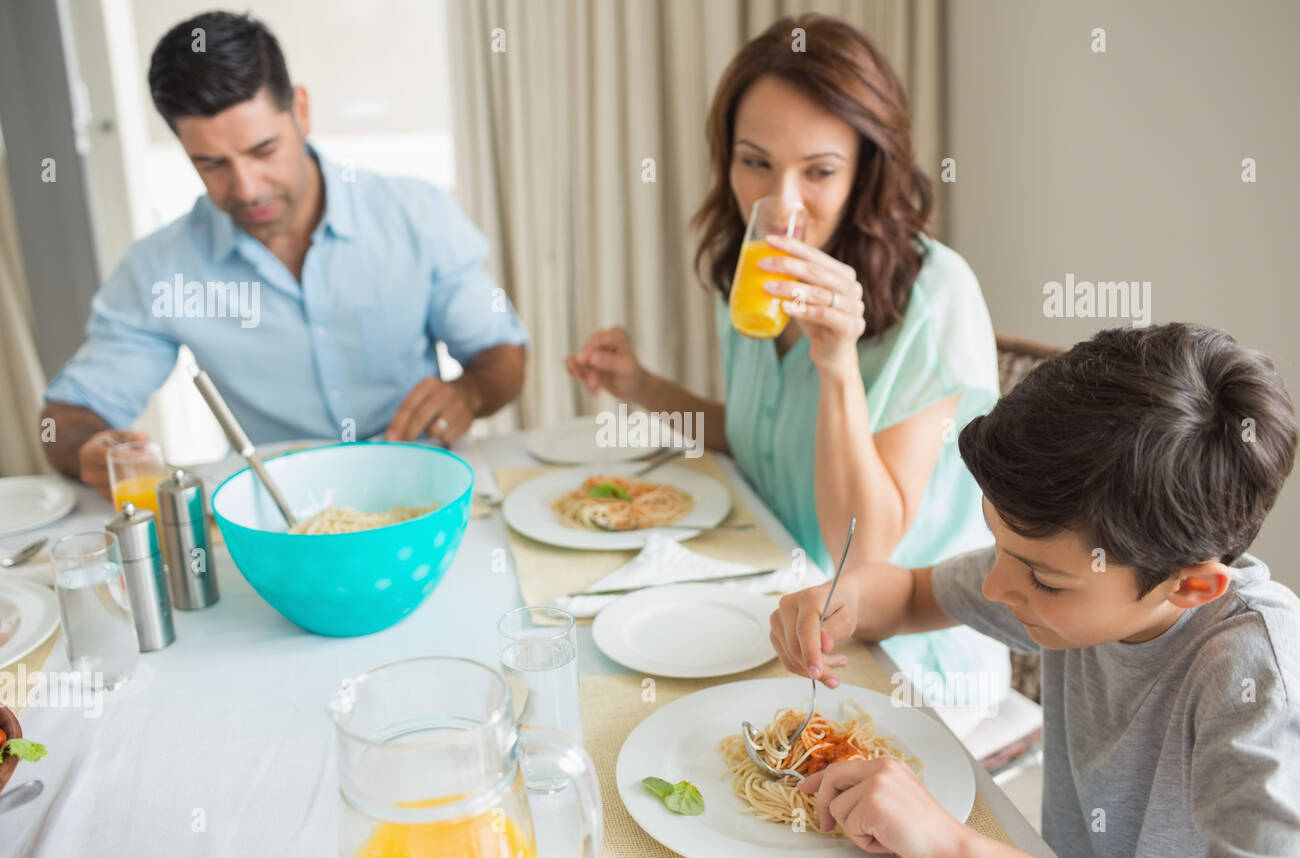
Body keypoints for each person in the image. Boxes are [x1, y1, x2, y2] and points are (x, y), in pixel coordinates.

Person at [565, 14, 1008, 725]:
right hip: (772, 599)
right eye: (756, 162)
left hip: (899, 659)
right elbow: (759, 442)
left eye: (821, 170)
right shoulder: (749, 269)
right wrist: (641, 386)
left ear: (868, 165)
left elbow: (861, 551)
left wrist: (837, 366)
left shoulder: (937, 297)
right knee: (584, 681)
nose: (785, 203)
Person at [771, 323, 1300, 858]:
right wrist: (840, 602)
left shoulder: (1254, 678)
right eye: (997, 544)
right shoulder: (1080, 565)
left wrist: (949, 846)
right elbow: (910, 595)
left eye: (1044, 580)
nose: (997, 588)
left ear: (1190, 585)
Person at [41, 11, 529, 499]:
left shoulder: (416, 215)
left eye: (263, 150)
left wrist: (469, 392)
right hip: (277, 515)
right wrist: (90, 448)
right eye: (211, 165)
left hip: (425, 490)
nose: (248, 189)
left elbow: (503, 355)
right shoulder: (161, 269)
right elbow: (68, 417)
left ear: (301, 109)